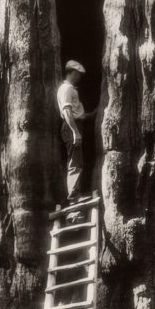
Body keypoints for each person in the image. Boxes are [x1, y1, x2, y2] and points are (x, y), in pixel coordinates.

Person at [56, 60, 96, 202]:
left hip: (75, 125)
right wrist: (75, 132)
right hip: (71, 126)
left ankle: (75, 193)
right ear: (72, 72)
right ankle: (73, 195)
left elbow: (77, 112)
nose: (79, 77)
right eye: (78, 74)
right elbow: (67, 112)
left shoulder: (70, 89)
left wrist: (92, 114)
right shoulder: (66, 89)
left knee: (77, 160)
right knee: (75, 162)